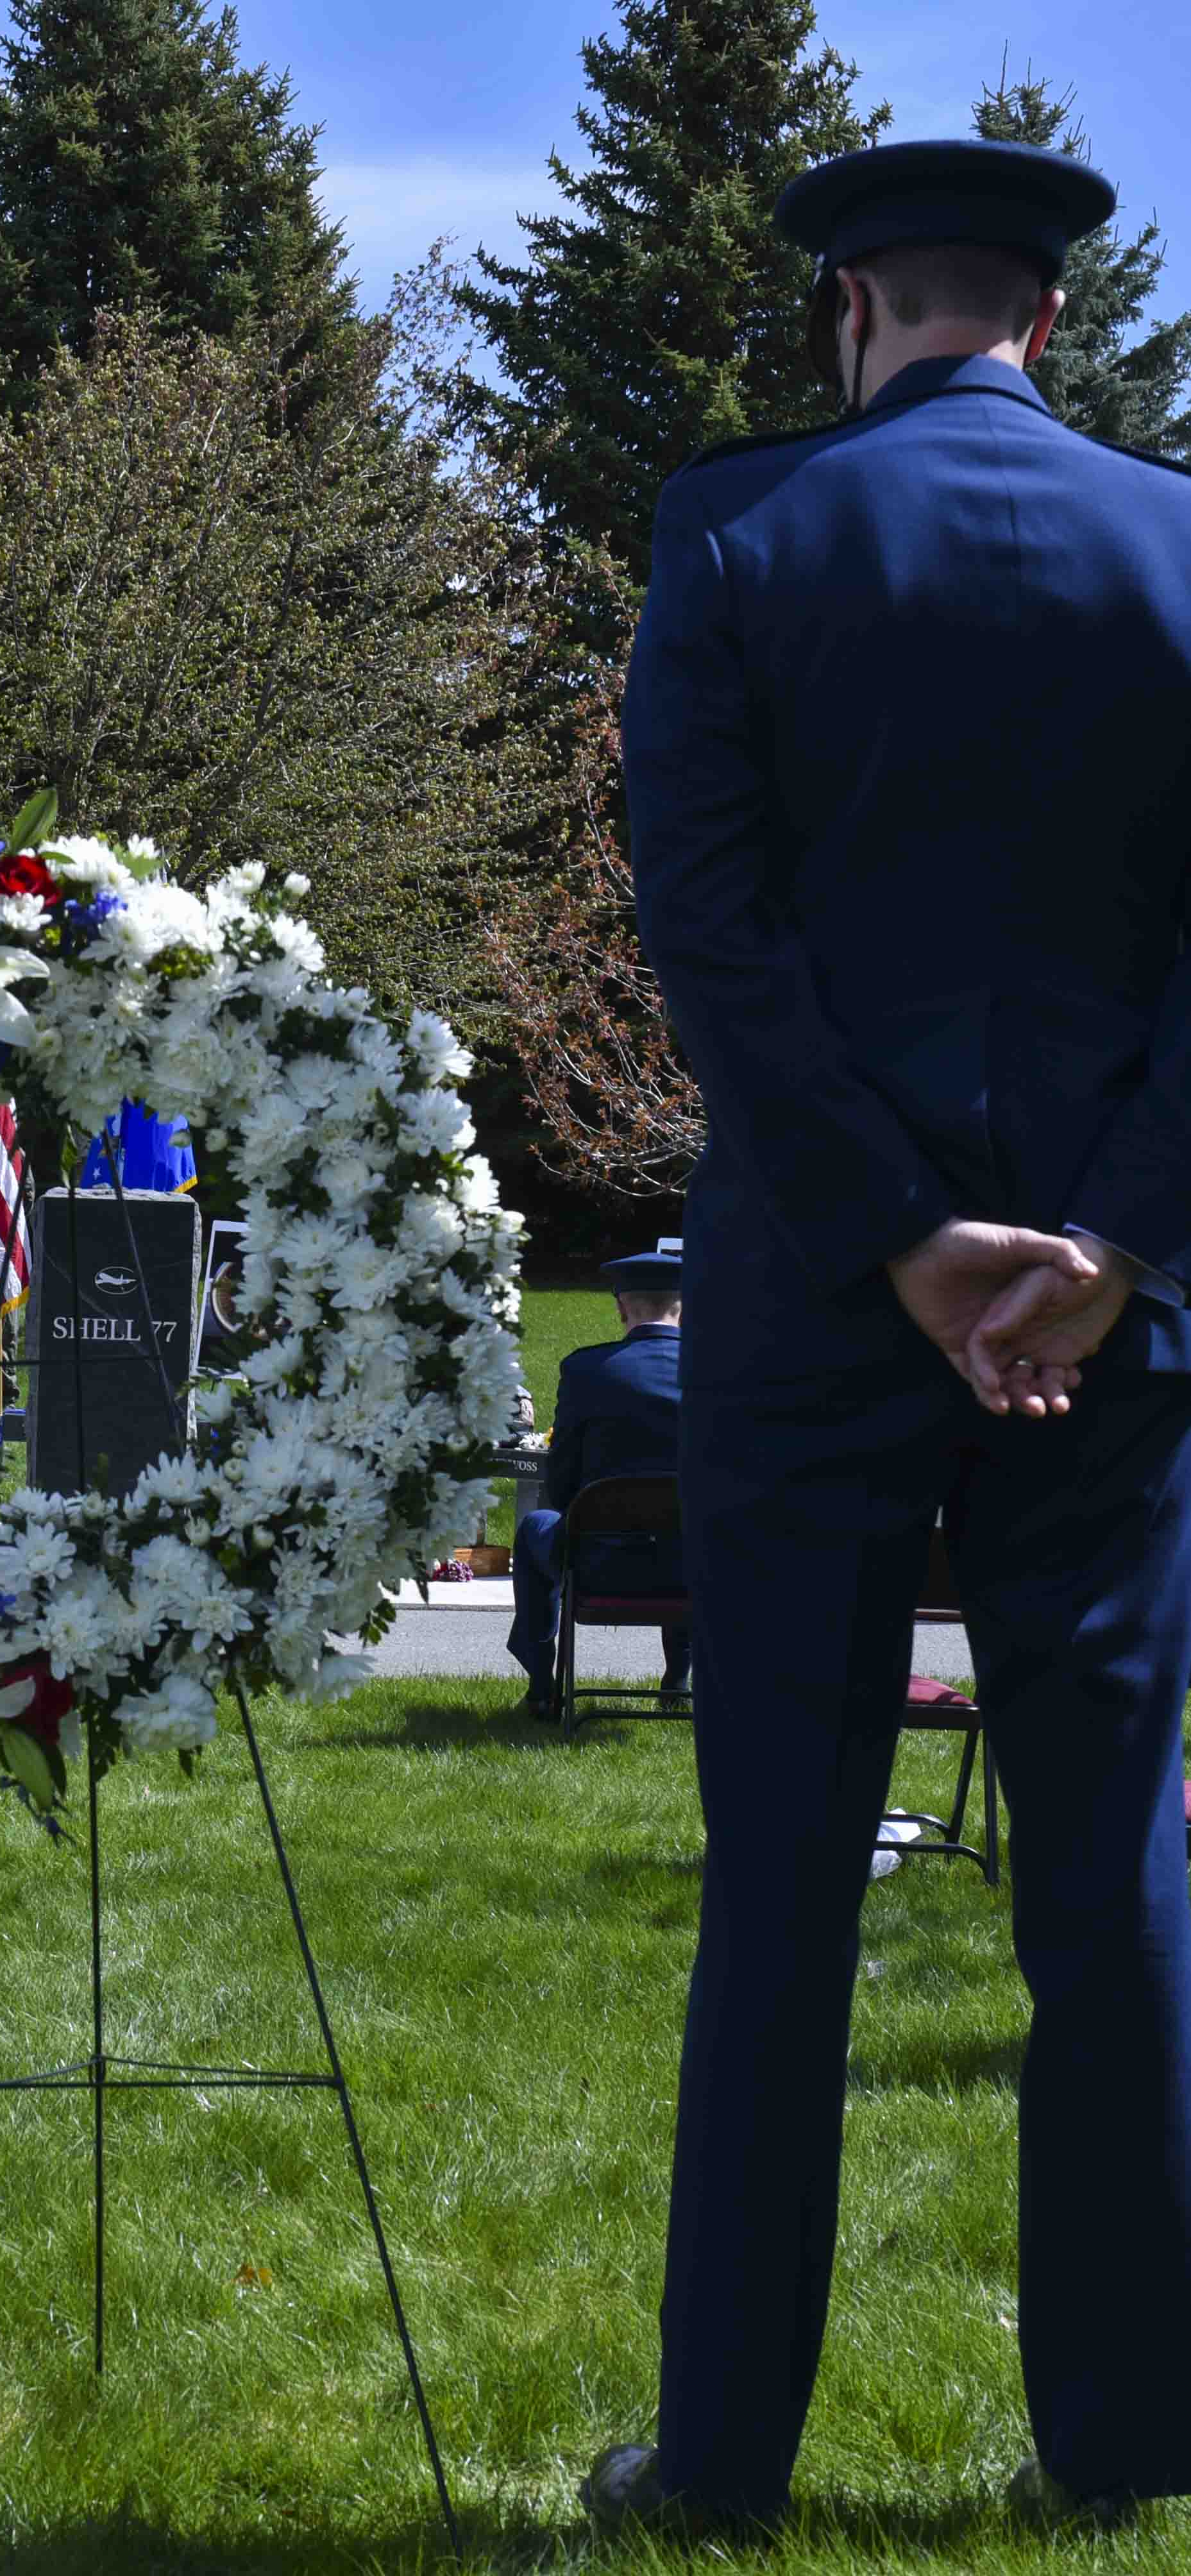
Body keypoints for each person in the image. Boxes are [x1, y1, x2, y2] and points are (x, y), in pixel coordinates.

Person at [593, 136, 1191, 2536]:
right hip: (1102, 1318)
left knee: (776, 1882)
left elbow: (701, 927)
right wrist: (1103, 1242)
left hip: (817, 1317)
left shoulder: (731, 534)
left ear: (848, 310)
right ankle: (1131, 2436)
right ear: (1038, 321)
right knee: (1109, 1886)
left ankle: (719, 2453)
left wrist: (889, 1239)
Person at [507, 1244, 688, 1711]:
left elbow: (563, 1475)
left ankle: (541, 1680)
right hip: (700, 1569)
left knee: (533, 1528)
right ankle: (677, 1679)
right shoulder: (723, 1373)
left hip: (599, 1561)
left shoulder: (588, 1370)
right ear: (684, 1306)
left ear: (621, 1306)